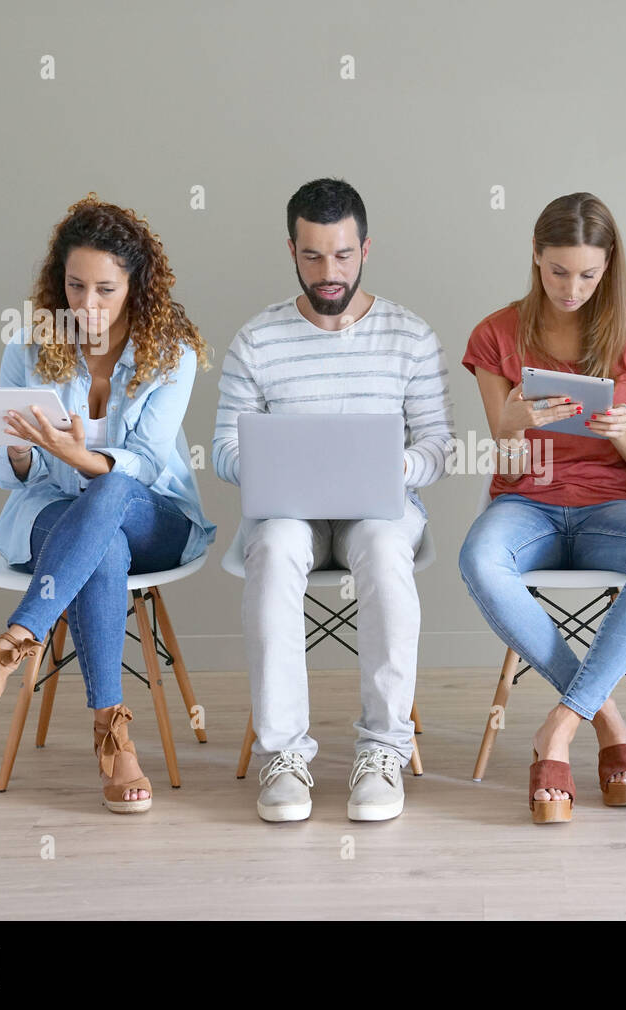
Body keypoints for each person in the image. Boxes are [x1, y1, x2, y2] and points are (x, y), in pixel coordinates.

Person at [0, 193, 216, 814]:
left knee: (113, 487)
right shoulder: (31, 343)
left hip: (155, 514)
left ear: (135, 288)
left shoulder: (171, 352)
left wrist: (73, 454)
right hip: (59, 517)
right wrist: (20, 449)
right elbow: (19, 472)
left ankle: (8, 650)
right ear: (57, 281)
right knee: (103, 548)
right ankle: (114, 738)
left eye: (105, 290)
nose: (86, 306)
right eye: (74, 286)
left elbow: (143, 462)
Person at [214, 178, 454, 824]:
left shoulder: (409, 335)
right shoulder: (257, 339)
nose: (330, 272)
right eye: (314, 256)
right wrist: (268, 465)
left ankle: (383, 750)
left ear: (366, 248)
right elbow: (223, 450)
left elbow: (438, 445)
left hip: (379, 507)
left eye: (343, 255)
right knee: (275, 543)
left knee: (380, 546)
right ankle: (283, 755)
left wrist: (398, 463)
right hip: (287, 511)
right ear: (291, 249)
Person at [457, 192, 626, 825]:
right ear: (535, 257)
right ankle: (604, 715)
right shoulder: (496, 333)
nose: (571, 287)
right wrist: (508, 421)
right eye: (558, 271)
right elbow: (504, 457)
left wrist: (618, 433)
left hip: (611, 506)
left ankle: (557, 729)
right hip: (526, 502)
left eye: (588, 274)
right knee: (478, 556)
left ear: (609, 265)